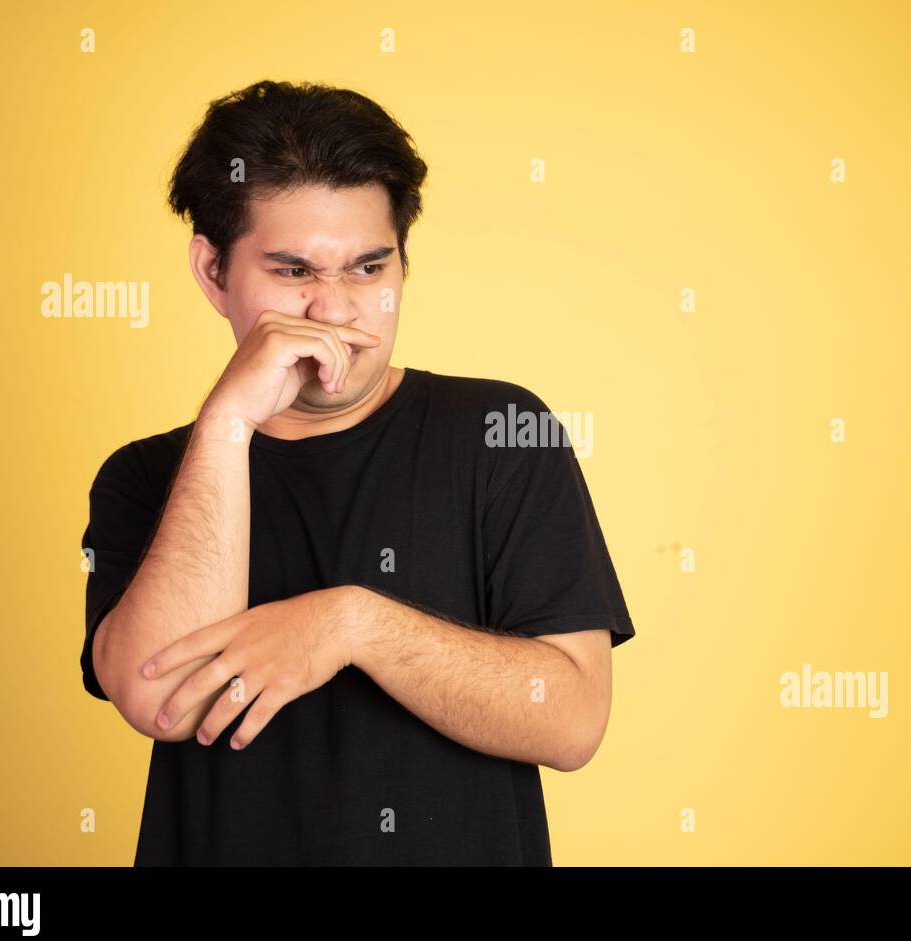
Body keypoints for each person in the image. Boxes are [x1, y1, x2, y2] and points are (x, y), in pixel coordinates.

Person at [78, 80, 635, 865]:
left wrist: (350, 624)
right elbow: (164, 700)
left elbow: (573, 719)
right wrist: (228, 425)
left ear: (404, 262)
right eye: (294, 271)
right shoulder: (147, 475)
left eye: (369, 269)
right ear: (213, 272)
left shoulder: (502, 434)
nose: (336, 312)